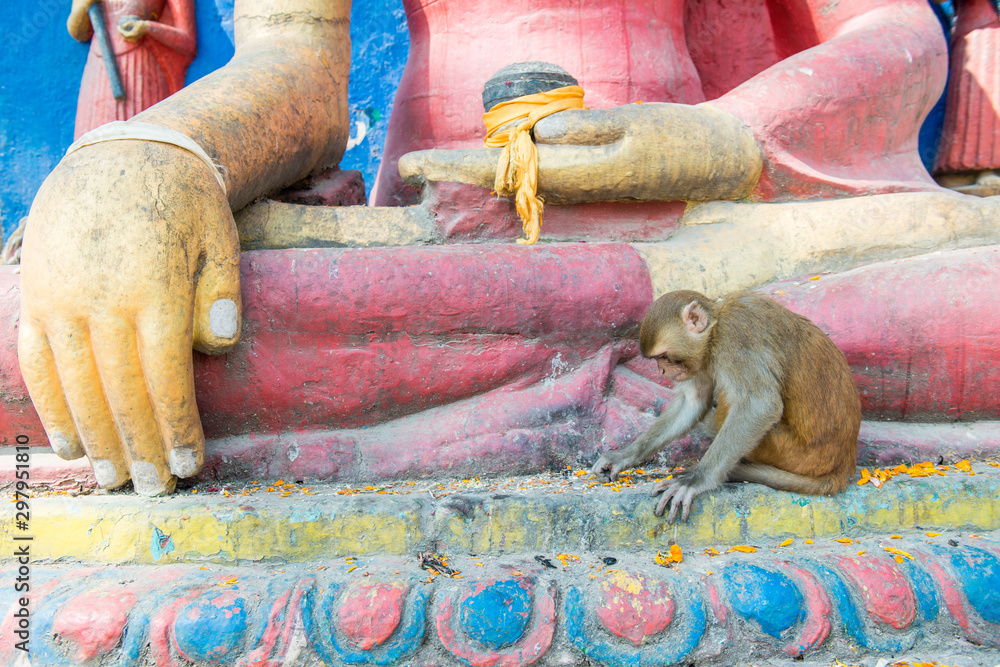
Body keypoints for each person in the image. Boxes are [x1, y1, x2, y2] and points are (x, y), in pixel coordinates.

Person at [68, 0, 197, 138]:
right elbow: (79, 33)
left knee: (143, 143)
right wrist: (83, 5)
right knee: (91, 145)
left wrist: (147, 28)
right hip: (99, 73)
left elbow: (187, 42)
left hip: (142, 73)